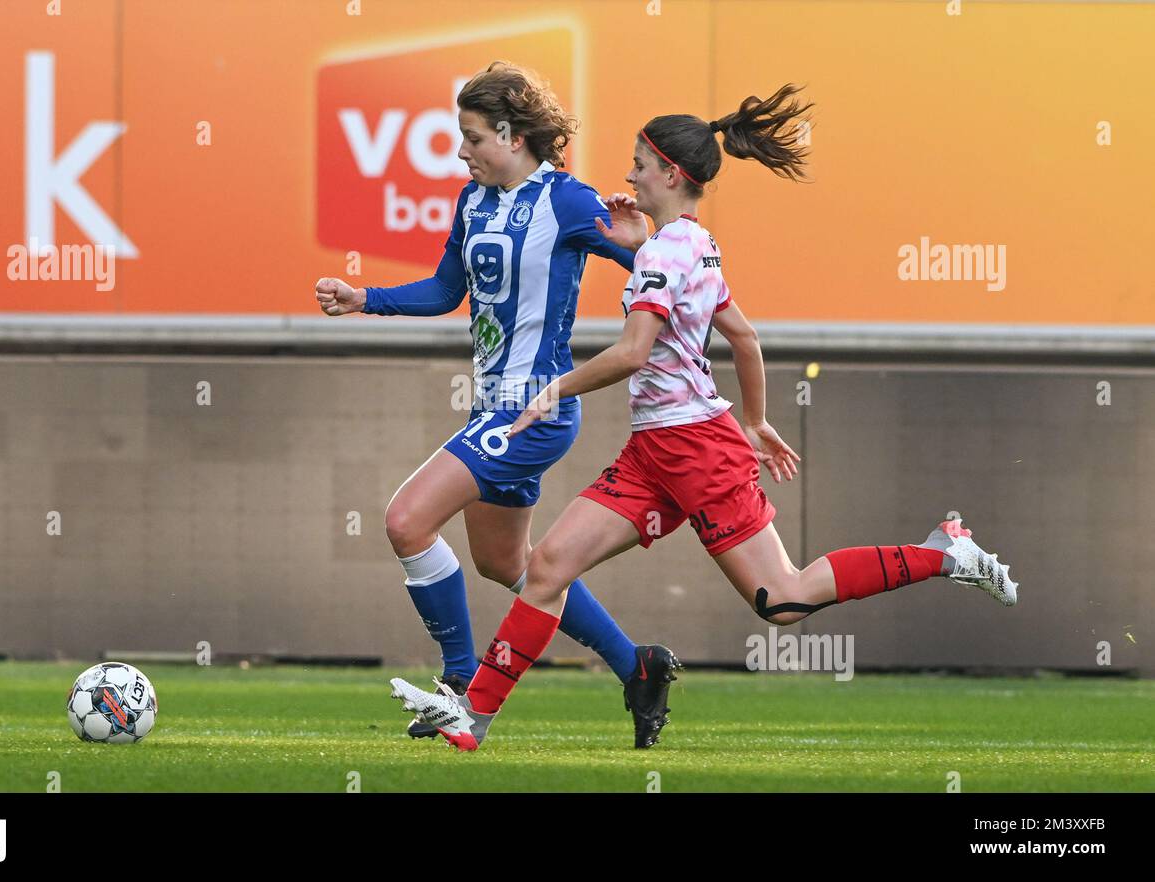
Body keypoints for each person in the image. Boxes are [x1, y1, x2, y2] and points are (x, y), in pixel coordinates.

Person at [391, 84, 1018, 751]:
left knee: (782, 600)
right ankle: (474, 717)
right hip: (654, 451)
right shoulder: (689, 243)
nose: (629, 174)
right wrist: (755, 419)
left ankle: (941, 554)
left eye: (639, 163)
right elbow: (743, 336)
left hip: (695, 448)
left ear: (669, 173)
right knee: (547, 568)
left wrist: (553, 392)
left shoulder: (667, 253)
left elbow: (633, 353)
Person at [316, 61, 680, 748]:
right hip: (491, 409)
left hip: (534, 410)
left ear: (513, 136)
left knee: (405, 522)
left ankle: (458, 683)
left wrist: (643, 244)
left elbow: (663, 271)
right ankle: (638, 667)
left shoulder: (567, 201)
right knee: (508, 566)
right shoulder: (472, 201)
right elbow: (445, 290)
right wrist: (367, 299)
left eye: (474, 137)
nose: (462, 151)